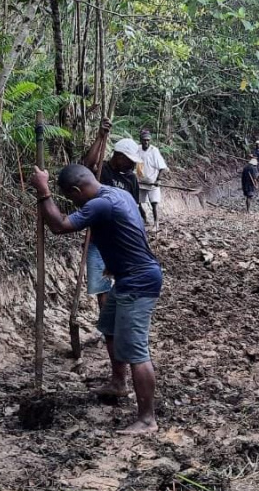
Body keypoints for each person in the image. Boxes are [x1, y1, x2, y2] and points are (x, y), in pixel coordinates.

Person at [31, 163, 162, 435]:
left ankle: (147, 419)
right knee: (109, 328)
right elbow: (131, 231)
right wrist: (117, 260)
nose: (74, 202)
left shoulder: (101, 204)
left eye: (71, 198)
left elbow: (59, 225)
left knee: (136, 350)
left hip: (138, 281)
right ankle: (118, 383)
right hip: (128, 276)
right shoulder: (118, 193)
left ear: (77, 190)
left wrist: (43, 192)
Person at [80, 120, 145, 308]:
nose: (132, 165)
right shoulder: (102, 170)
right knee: (102, 287)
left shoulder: (131, 179)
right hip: (98, 240)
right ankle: (107, 330)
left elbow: (134, 208)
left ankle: (117, 326)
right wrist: (100, 136)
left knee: (123, 284)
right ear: (118, 156)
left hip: (121, 240)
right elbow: (85, 166)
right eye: (129, 161)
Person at [137, 129, 168, 227]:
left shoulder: (154, 151)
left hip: (152, 182)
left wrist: (158, 179)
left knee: (154, 203)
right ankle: (144, 217)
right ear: (141, 140)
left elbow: (163, 167)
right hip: (141, 182)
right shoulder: (137, 149)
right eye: (144, 140)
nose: (146, 142)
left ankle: (156, 223)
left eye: (148, 140)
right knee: (137, 202)